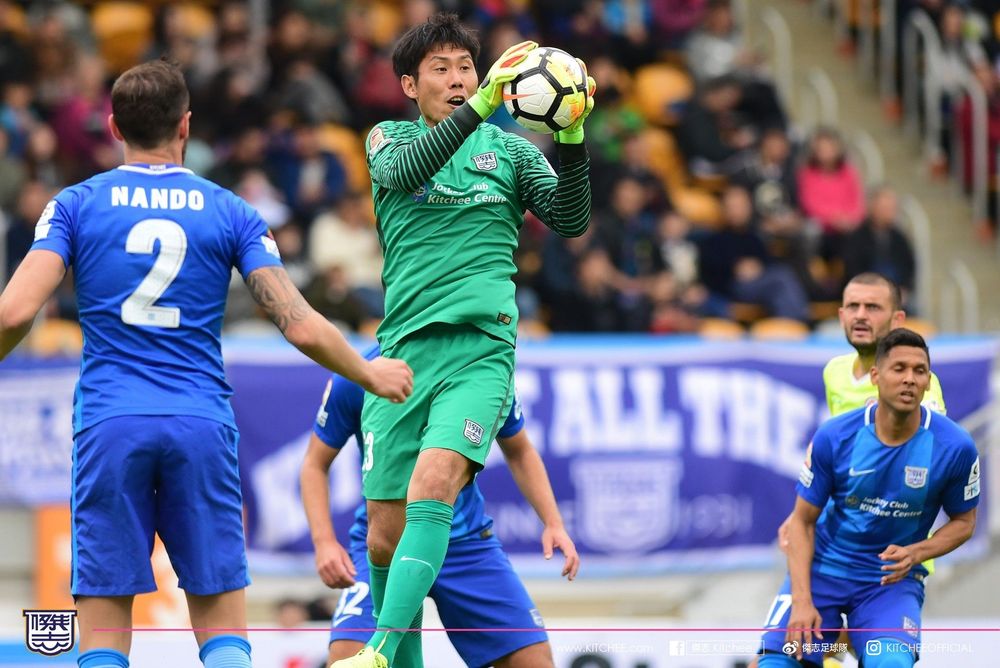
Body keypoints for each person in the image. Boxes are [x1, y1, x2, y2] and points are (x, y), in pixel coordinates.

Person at [0, 59, 413, 668]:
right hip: (200, 422)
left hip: (111, 424)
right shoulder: (231, 210)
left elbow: (13, 314)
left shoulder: (74, 205)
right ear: (186, 125)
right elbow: (295, 320)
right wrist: (369, 371)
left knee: (105, 633)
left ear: (114, 126)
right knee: (221, 628)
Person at [333, 13, 595, 668]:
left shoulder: (509, 153)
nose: (458, 80)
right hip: (402, 356)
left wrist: (573, 136)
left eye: (468, 68)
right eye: (442, 70)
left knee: (434, 483)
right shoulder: (387, 140)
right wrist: (480, 107)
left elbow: (571, 218)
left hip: (480, 352)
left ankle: (379, 653)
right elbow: (408, 170)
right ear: (408, 85)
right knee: (385, 540)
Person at [301, 345, 579, 668]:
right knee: (348, 658)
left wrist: (553, 522)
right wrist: (323, 543)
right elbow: (314, 464)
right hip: (384, 544)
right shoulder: (359, 372)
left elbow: (519, 450)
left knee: (533, 662)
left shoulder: (478, 365)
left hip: (464, 546)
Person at [757, 328, 980, 667]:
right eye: (899, 369)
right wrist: (802, 600)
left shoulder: (956, 447)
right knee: (782, 661)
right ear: (876, 376)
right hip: (823, 573)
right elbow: (802, 522)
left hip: (889, 582)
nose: (909, 379)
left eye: (919, 371)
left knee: (889, 662)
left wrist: (915, 552)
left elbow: (965, 522)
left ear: (928, 380)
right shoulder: (835, 436)